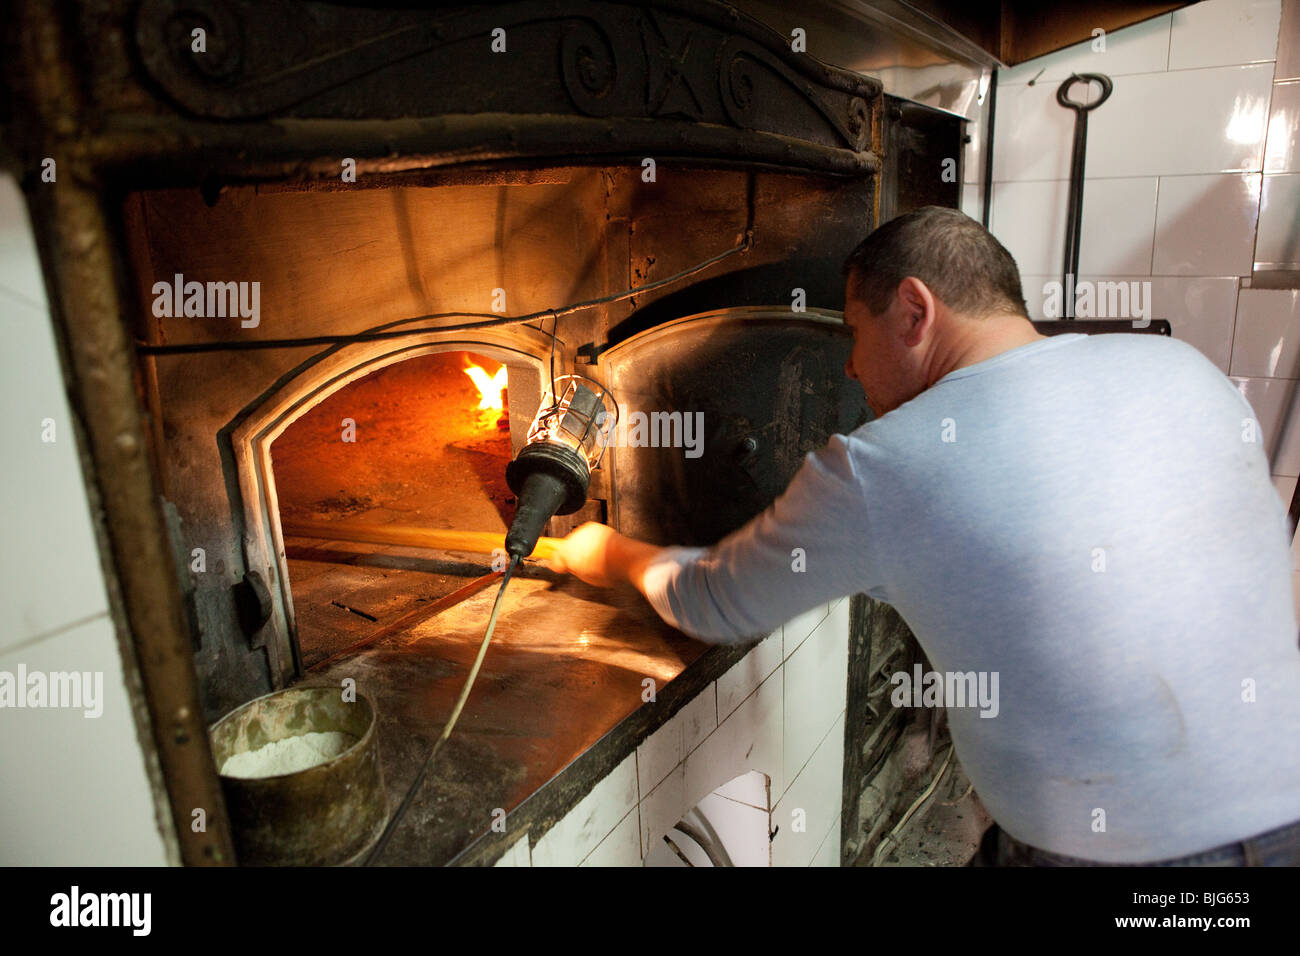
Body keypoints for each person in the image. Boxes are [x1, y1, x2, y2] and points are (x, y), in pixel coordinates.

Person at [545, 205, 1300, 866]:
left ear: (913, 310)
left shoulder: (889, 465)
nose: (847, 362)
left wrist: (608, 552)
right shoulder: (1179, 366)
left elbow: (714, 603)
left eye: (854, 330)